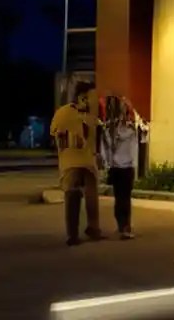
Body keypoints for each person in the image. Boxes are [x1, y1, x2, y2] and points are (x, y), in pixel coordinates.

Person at [50, 82, 103, 246]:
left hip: (80, 161)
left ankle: (84, 230)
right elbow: (55, 133)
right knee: (80, 195)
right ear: (82, 96)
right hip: (76, 161)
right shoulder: (70, 114)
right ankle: (81, 231)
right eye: (91, 96)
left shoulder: (83, 115)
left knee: (84, 196)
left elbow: (54, 133)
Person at [101, 97, 140, 240]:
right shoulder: (131, 129)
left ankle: (122, 225)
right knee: (125, 198)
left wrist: (108, 165)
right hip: (126, 167)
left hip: (117, 167)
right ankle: (125, 226)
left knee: (120, 198)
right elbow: (134, 149)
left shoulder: (110, 130)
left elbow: (105, 150)